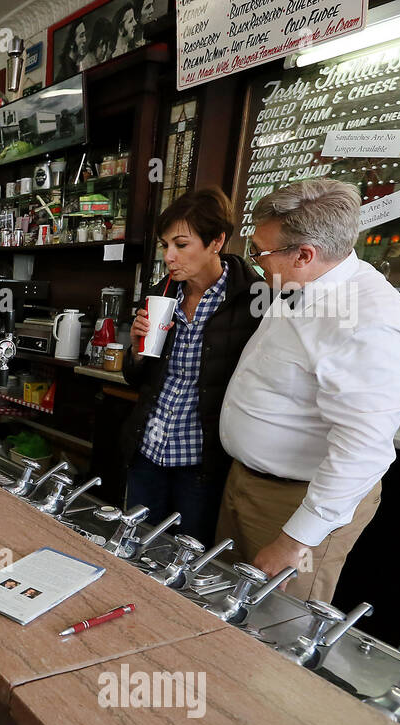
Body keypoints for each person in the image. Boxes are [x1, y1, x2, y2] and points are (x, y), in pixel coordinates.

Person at [216, 179, 400, 603]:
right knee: (223, 604)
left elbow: (363, 450)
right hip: (247, 484)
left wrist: (295, 541)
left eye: (260, 252)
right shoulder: (303, 282)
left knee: (278, 622)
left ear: (305, 255)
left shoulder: (370, 323)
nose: (254, 262)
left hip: (299, 508)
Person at [121, 187, 266, 543]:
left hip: (203, 460)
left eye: (181, 245)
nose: (169, 256)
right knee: (136, 546)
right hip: (148, 450)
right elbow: (138, 377)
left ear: (216, 241)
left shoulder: (254, 298)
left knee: (187, 559)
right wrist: (137, 350)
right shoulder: (165, 290)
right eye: (165, 245)